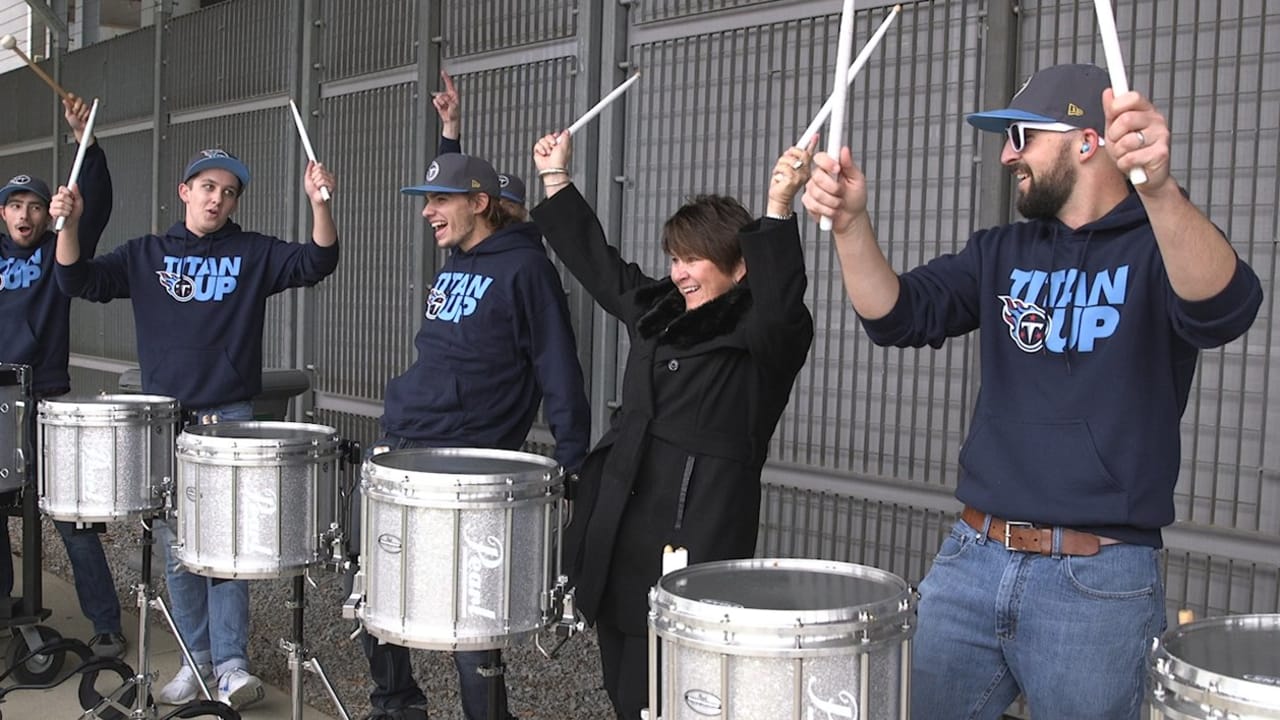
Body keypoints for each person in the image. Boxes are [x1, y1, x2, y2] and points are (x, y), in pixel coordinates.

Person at [802, 63, 1262, 719]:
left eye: (1021, 135)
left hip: (1097, 577)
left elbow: (1228, 310)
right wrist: (850, 226)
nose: (1006, 154)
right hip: (971, 558)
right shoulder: (1001, 252)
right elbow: (896, 316)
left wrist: (1158, 191)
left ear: (1086, 140)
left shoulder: (1162, 246)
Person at [530, 131, 816, 719]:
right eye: (675, 258)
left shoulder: (763, 337)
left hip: (694, 531)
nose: (680, 273)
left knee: (672, 690)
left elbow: (783, 304)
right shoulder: (660, 308)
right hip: (619, 518)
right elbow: (602, 270)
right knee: (620, 680)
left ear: (740, 267)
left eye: (694, 259)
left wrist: (779, 209)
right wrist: (556, 179)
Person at [50, 148, 339, 710]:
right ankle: (194, 659)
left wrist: (319, 204)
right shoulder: (146, 255)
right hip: (166, 422)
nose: (218, 198)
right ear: (185, 191)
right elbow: (74, 279)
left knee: (225, 547)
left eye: (229, 192)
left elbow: (317, 261)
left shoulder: (251, 252)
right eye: (208, 187)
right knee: (177, 547)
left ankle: (231, 667)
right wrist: (71, 222)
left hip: (230, 418)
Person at [354, 151, 590, 720]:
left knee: (469, 615)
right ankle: (398, 706)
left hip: (465, 460)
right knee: (376, 593)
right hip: (402, 443)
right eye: (427, 200)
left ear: (479, 204)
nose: (427, 212)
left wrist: (574, 459)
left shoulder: (526, 269)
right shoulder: (458, 260)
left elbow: (557, 364)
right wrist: (449, 137)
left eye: (439, 201)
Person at [0, 94, 128, 658]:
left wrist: (87, 145)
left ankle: (105, 624)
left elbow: (93, 208)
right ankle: (6, 613)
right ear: (1, 214)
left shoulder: (59, 252)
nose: (25, 214)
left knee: (71, 518)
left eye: (33, 205)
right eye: (14, 206)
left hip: (46, 400)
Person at [431, 68, 530, 220]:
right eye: (497, 204)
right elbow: (448, 180)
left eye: (509, 206)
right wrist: (451, 124)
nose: (501, 212)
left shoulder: (524, 243)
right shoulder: (471, 238)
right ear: (482, 205)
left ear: (523, 213)